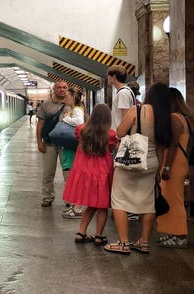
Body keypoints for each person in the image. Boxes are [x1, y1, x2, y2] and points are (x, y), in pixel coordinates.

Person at [105, 82, 172, 254]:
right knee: (147, 202)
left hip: (132, 159)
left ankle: (123, 243)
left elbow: (120, 132)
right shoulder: (165, 116)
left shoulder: (138, 110)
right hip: (151, 163)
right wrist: (160, 169)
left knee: (119, 198)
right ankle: (143, 242)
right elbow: (162, 147)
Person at [62, 103, 117, 245]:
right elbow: (112, 146)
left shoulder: (82, 130)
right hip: (103, 173)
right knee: (102, 206)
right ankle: (99, 236)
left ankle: (81, 232)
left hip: (85, 172)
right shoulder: (110, 135)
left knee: (91, 205)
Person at [156, 87, 191, 248]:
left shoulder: (175, 119)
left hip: (174, 163)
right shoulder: (185, 118)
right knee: (171, 197)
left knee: (174, 200)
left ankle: (180, 236)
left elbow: (173, 144)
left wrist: (167, 167)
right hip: (181, 162)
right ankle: (172, 232)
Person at [36, 79, 69, 206]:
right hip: (49, 143)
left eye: (65, 87)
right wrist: (39, 142)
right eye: (59, 87)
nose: (62, 89)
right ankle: (47, 197)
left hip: (67, 144)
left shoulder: (72, 104)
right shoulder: (46, 105)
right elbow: (40, 124)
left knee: (68, 172)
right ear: (54, 90)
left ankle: (69, 199)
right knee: (48, 172)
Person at [60, 88, 85, 218]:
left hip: (73, 148)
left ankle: (77, 208)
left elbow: (79, 122)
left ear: (73, 97)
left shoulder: (76, 110)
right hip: (72, 147)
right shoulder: (75, 109)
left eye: (67, 96)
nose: (65, 98)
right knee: (72, 177)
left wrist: (66, 119)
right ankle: (75, 206)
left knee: (73, 177)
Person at [107, 66, 135, 131]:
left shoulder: (123, 93)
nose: (107, 78)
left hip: (119, 136)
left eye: (108, 76)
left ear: (114, 77)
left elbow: (125, 118)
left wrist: (120, 136)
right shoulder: (125, 91)